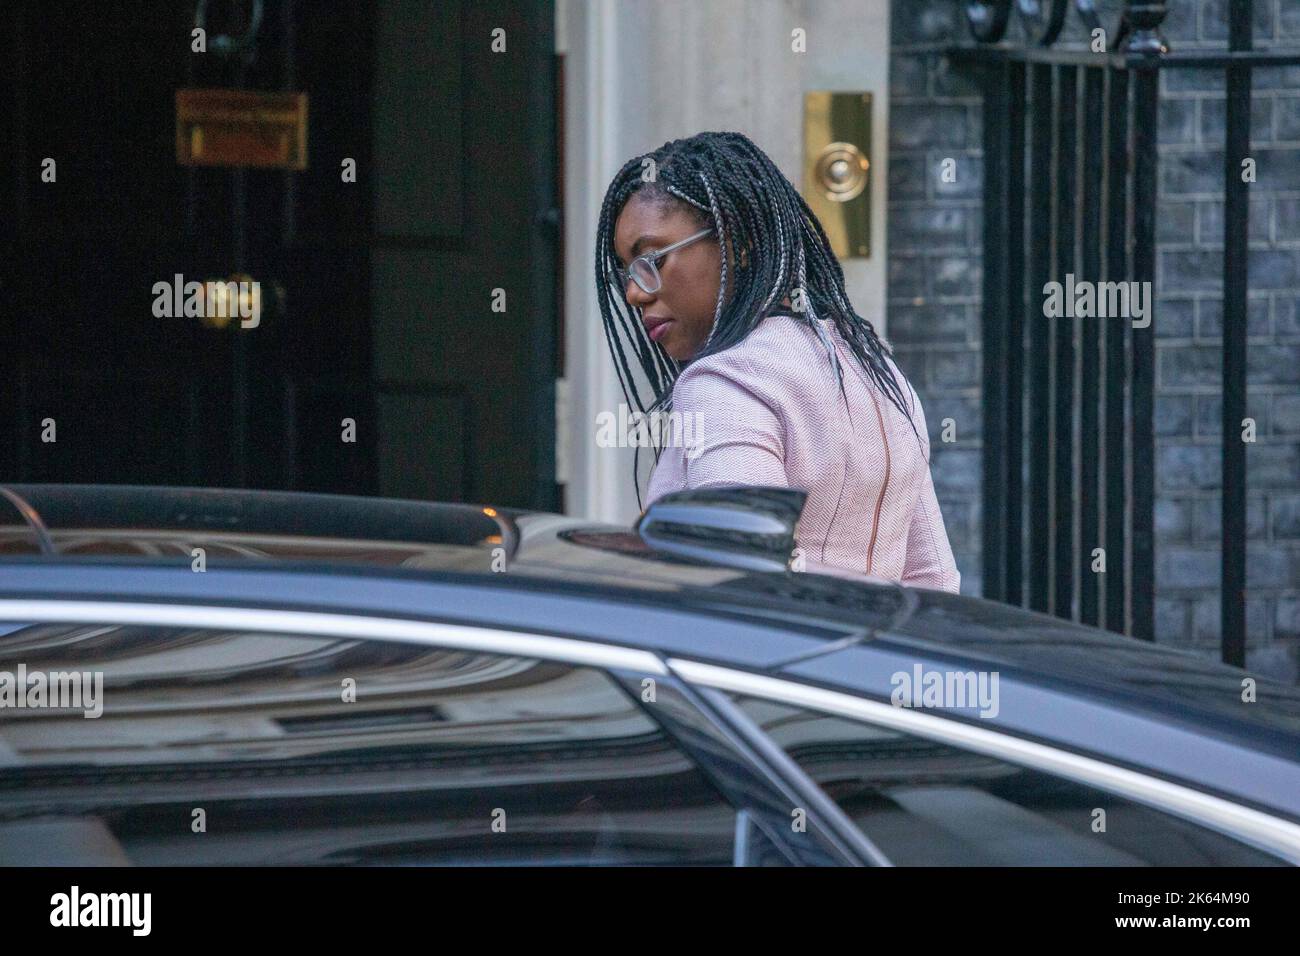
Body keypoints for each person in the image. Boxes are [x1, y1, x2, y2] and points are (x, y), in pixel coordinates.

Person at [594, 131, 961, 593]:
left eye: (650, 260)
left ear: (736, 240)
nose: (633, 293)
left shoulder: (723, 385)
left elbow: (747, 576)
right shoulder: (876, 369)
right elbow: (934, 581)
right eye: (625, 273)